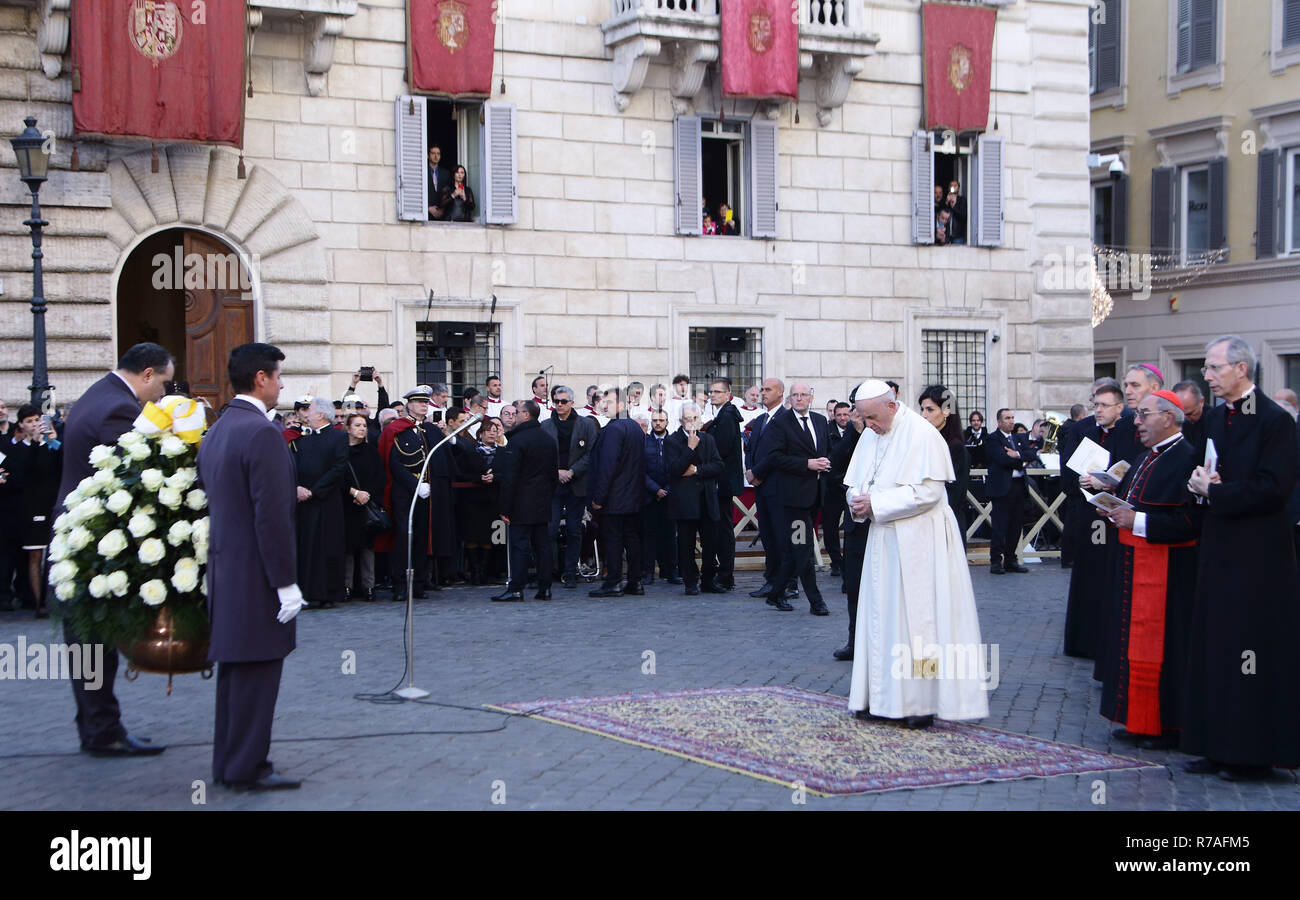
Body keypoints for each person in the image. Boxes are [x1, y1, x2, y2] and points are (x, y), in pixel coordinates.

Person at [1181, 335, 1300, 779]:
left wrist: (1215, 490)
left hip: (1259, 557)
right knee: (1216, 646)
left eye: (1213, 368)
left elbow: (1273, 488)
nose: (1206, 376)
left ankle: (1251, 754)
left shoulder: (1276, 421)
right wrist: (1200, 483)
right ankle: (1213, 743)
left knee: (1249, 651)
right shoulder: (1213, 418)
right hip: (1218, 548)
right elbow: (1206, 467)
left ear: (1241, 370)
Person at [844, 380, 988, 727]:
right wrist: (857, 502)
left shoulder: (922, 436)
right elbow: (855, 483)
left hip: (921, 540)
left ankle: (919, 702)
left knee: (918, 620)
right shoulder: (870, 434)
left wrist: (876, 502)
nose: (869, 425)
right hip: (884, 538)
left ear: (892, 406)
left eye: (873, 417)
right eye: (863, 419)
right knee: (880, 618)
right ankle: (878, 697)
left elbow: (929, 492)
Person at [56, 342, 173, 757]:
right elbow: (133, 473)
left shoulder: (99, 393)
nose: (161, 393)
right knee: (94, 642)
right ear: (146, 373)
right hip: (93, 541)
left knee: (88, 640)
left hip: (80, 534)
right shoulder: (117, 409)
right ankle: (103, 731)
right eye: (162, 382)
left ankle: (95, 727)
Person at [200, 342, 302, 790]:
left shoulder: (221, 427)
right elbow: (272, 515)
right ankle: (247, 767)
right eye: (278, 376)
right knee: (257, 675)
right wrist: (285, 583)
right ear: (261, 378)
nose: (281, 384)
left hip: (228, 569)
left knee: (237, 676)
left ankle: (230, 763)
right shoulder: (261, 432)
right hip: (257, 575)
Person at [1096, 390, 1200, 750]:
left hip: (1167, 570)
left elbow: (1190, 520)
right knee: (1131, 644)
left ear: (1168, 417)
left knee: (1164, 649)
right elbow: (1134, 503)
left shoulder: (1186, 456)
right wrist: (1112, 507)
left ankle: (1165, 725)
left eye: (1143, 415)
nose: (1136, 422)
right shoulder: (1146, 456)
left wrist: (1135, 519)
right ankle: (1138, 720)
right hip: (1133, 565)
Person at [1062, 379, 1143, 662]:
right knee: (1086, 576)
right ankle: (1082, 641)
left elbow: (1132, 468)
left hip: (1116, 513)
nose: (1097, 410)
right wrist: (1082, 481)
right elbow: (1067, 471)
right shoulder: (1081, 430)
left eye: (1104, 405)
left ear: (1119, 407)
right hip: (1087, 512)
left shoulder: (1130, 430)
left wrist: (1110, 483)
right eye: (1095, 404)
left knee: (1111, 576)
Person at [751, 382, 831, 616]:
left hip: (815, 496)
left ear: (811, 397)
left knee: (797, 550)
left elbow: (825, 451)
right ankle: (816, 601)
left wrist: (825, 463)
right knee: (803, 549)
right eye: (795, 395)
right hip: (791, 499)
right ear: (790, 398)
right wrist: (807, 464)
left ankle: (776, 592)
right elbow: (774, 457)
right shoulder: (780, 423)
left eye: (803, 395)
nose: (799, 399)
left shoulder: (819, 421)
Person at [493, 400, 558, 602]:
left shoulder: (518, 441)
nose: (514, 415)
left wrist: (505, 507)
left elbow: (510, 477)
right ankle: (545, 587)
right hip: (543, 501)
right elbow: (553, 475)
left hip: (521, 502)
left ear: (527, 415)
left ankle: (517, 588)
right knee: (543, 546)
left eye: (518, 412)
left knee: (520, 546)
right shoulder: (548, 440)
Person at [378, 386, 437, 603]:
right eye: (419, 402)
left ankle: (419, 583)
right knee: (404, 538)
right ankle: (400, 585)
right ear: (409, 405)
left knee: (422, 537)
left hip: (426, 492)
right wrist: (415, 485)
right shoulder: (397, 429)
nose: (424, 405)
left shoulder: (427, 430)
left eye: (425, 402)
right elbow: (394, 463)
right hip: (405, 492)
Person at [289, 398, 348, 609]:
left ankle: (327, 593)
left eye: (310, 410)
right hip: (304, 503)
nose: (307, 414)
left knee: (326, 548)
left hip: (327, 502)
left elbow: (338, 469)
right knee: (306, 547)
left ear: (321, 414)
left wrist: (314, 491)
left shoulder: (338, 437)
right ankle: (306, 591)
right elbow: (292, 468)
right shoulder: (301, 441)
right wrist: (296, 487)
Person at [588, 389, 646, 597]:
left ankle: (613, 582)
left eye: (609, 402)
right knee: (631, 539)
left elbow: (607, 466)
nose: (604, 405)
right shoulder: (635, 428)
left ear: (622, 404)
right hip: (633, 496)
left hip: (615, 497)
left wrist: (598, 497)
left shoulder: (614, 429)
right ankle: (635, 581)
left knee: (613, 540)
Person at [541, 386, 598, 588]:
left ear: (572, 403)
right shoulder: (545, 425)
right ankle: (547, 571)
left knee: (574, 530)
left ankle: (570, 571)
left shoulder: (586, 425)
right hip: (553, 485)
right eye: (556, 401)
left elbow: (591, 453)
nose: (559, 405)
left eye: (563, 401)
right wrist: (556, 471)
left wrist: (572, 471)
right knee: (549, 529)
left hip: (577, 484)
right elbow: (542, 455)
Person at [7, 405, 61, 617]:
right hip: (31, 508)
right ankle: (39, 603)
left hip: (53, 505)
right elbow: (20, 477)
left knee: (54, 554)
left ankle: (54, 599)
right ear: (21, 425)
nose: (34, 424)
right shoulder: (17, 450)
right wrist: (36, 445)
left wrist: (50, 439)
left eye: (37, 419)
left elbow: (61, 461)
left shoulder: (51, 444)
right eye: (29, 421)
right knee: (35, 556)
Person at [665, 405, 724, 595]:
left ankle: (708, 580)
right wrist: (690, 448)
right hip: (685, 501)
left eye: (695, 417)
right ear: (681, 420)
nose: (691, 421)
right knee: (686, 543)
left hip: (707, 499)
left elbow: (718, 465)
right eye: (687, 418)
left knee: (711, 543)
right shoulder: (672, 441)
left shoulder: (708, 439)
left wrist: (697, 471)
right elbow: (675, 469)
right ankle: (690, 581)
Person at [701, 378, 744, 590]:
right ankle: (724, 572)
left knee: (723, 529)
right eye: (711, 392)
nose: (713, 395)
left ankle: (726, 574)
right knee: (720, 527)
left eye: (718, 392)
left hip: (722, 481)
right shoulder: (723, 415)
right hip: (722, 480)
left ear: (728, 394)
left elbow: (722, 449)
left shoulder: (726, 417)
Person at [919, 386, 969, 548]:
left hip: (946, 525)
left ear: (947, 411)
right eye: (922, 409)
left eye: (930, 409)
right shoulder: (926, 442)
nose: (923, 415)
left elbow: (952, 495)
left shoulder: (955, 447)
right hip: (925, 523)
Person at [983, 409, 1030, 574]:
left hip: (1018, 486)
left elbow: (1031, 454)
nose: (1011, 421)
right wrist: (1020, 461)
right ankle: (996, 561)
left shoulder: (1018, 438)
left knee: (1016, 526)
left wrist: (1017, 454)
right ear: (999, 422)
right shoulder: (992, 439)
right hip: (1002, 488)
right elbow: (1001, 459)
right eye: (1007, 418)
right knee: (1000, 526)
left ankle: (1011, 559)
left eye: (1012, 418)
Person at [343, 413, 383, 602]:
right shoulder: (341, 451)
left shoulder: (371, 451)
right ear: (348, 428)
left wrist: (366, 494)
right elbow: (338, 477)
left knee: (367, 547)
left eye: (364, 425)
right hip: (347, 504)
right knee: (347, 547)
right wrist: (353, 493)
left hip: (367, 504)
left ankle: (369, 586)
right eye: (357, 425)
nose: (362, 428)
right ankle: (347, 586)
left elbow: (379, 477)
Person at [641, 410, 679, 586]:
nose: (658, 423)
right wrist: (655, 489)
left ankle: (671, 571)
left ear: (667, 422)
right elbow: (640, 470)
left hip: (670, 496)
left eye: (661, 420)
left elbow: (678, 468)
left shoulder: (674, 442)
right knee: (648, 536)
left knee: (670, 536)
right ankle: (648, 572)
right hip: (650, 497)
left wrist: (668, 489)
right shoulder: (644, 443)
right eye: (655, 420)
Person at [1172, 380, 1206, 454]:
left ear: (1201, 402)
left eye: (1189, 414)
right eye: (1179, 414)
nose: (1184, 419)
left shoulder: (1214, 421)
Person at [427, 145, 451, 220]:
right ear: (428, 155)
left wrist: (443, 210)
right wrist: (428, 208)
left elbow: (449, 193)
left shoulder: (446, 173)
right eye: (433, 153)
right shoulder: (422, 171)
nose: (436, 156)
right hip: (425, 214)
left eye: (438, 153)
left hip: (442, 215)